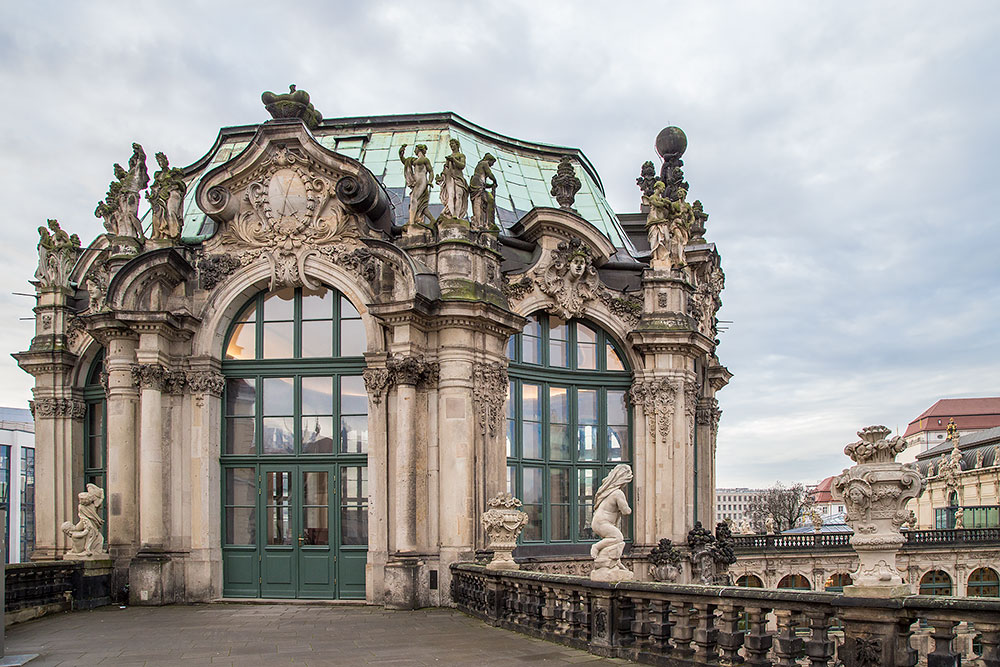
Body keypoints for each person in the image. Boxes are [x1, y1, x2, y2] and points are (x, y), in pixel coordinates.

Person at [590, 464, 633, 575]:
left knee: (612, 543)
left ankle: (615, 563)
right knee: (618, 538)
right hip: (602, 523)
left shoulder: (608, 492)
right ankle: (596, 547)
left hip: (598, 522)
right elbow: (625, 511)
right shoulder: (617, 493)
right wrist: (629, 508)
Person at [398, 144, 436, 229]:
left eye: (416, 149)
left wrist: (429, 181)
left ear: (419, 149)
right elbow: (405, 161)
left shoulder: (425, 159)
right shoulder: (414, 160)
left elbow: (431, 172)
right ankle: (432, 219)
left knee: (414, 199)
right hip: (417, 181)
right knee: (420, 203)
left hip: (422, 181)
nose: (414, 151)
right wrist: (401, 155)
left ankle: (411, 221)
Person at [435, 138, 469, 219]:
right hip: (449, 178)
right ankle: (452, 213)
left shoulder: (461, 156)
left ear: (457, 145)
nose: (451, 146)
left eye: (453, 144)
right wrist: (440, 177)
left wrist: (453, 160)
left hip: (458, 178)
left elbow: (462, 165)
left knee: (459, 195)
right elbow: (445, 169)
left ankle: (457, 215)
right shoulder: (449, 157)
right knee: (451, 195)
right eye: (450, 144)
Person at [469, 153, 498, 229]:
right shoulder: (484, 163)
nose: (492, 165)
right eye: (492, 163)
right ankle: (485, 222)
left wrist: (491, 185)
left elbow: (484, 185)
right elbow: (490, 174)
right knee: (485, 201)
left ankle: (482, 221)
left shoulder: (480, 166)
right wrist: (495, 181)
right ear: (489, 160)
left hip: (477, 184)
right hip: (477, 185)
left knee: (480, 203)